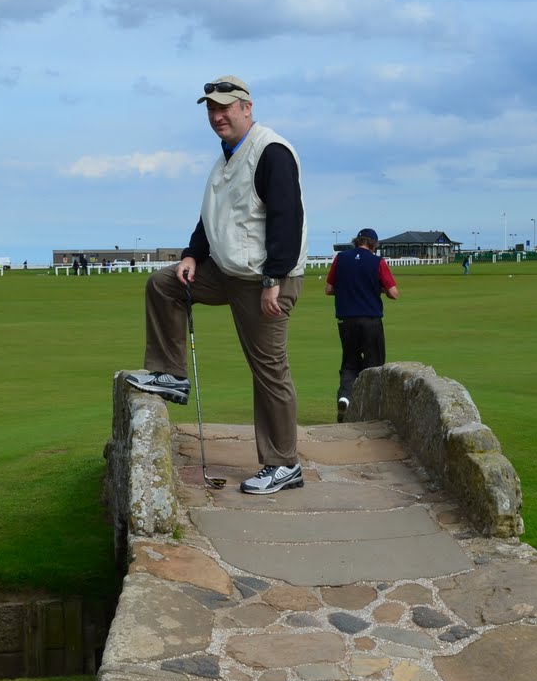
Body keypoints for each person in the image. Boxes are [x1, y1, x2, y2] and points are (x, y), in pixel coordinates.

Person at [125, 75, 308, 495]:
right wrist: (192, 254)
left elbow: (287, 220)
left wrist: (273, 280)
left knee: (268, 370)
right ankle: (170, 374)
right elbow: (213, 216)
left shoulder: (271, 152)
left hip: (266, 280)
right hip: (227, 271)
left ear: (247, 107)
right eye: (211, 108)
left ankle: (284, 464)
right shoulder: (227, 155)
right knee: (163, 284)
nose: (217, 115)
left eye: (225, 107)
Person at [325, 228, 399, 421]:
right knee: (374, 364)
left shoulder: (340, 258)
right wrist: (377, 288)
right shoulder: (377, 261)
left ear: (356, 241)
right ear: (373, 244)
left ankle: (344, 398)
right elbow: (394, 293)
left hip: (346, 320)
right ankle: (371, 412)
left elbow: (329, 289)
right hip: (370, 320)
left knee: (349, 363)